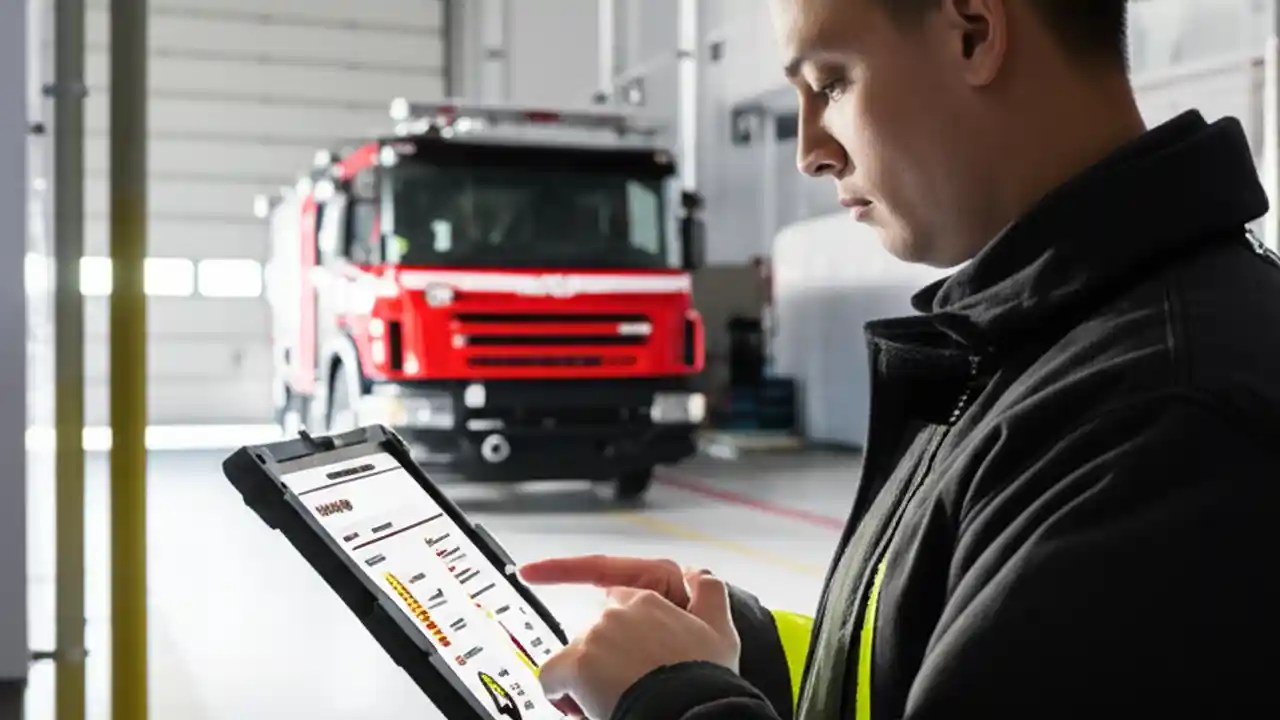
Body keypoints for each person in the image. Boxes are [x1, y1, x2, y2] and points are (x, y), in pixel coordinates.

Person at [522, 0, 1280, 717]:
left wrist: (674, 699)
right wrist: (745, 657)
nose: (809, 153)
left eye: (830, 84)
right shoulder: (1055, 343)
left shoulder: (1165, 425)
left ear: (974, 32)